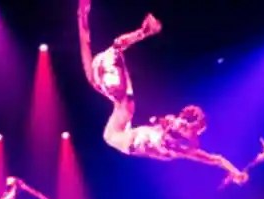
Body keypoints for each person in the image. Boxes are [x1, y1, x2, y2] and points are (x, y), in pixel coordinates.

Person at [77, 2, 246, 186]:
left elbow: (213, 158)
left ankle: (143, 32)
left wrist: (234, 171)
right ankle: (142, 33)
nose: (179, 121)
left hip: (124, 137)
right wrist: (82, 16)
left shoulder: (178, 146)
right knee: (115, 56)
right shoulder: (105, 84)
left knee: (116, 57)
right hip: (126, 130)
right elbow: (86, 43)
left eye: (184, 126)